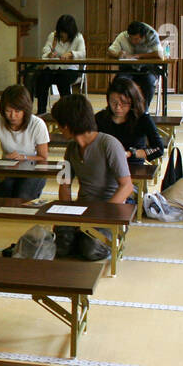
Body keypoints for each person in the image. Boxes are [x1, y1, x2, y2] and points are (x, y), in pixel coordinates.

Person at [48, 93, 133, 261]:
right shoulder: (71, 149)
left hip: (109, 211)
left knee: (90, 248)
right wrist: (66, 214)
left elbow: (127, 186)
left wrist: (101, 215)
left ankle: (113, 239)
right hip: (81, 210)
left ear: (68, 124)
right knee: (62, 244)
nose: (57, 127)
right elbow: (64, 184)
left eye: (59, 123)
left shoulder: (109, 144)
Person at [0, 85, 50, 202]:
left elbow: (43, 158)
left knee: (22, 196)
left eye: (17, 111)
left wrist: (23, 157)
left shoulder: (37, 124)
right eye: (8, 111)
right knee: (1, 196)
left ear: (26, 110)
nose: (12, 116)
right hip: (8, 168)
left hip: (33, 169)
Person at [95, 76, 166, 164]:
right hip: (106, 163)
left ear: (132, 101)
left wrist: (130, 153)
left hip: (132, 164)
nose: (118, 107)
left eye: (123, 103)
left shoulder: (142, 119)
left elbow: (158, 148)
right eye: (113, 102)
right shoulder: (101, 117)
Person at [30, 14, 86, 114]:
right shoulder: (53, 36)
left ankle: (67, 112)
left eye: (65, 32)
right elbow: (45, 51)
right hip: (52, 69)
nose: (62, 34)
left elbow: (83, 53)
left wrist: (70, 54)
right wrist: (50, 54)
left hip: (69, 70)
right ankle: (41, 111)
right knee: (42, 79)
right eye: (61, 31)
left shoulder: (78, 38)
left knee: (63, 80)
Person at [106, 19, 163, 110]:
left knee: (149, 82)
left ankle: (144, 110)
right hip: (128, 68)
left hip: (147, 68)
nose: (133, 41)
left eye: (136, 39)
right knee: (119, 82)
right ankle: (118, 109)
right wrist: (118, 54)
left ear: (143, 36)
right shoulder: (123, 36)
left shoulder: (151, 35)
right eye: (131, 38)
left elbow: (159, 55)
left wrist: (138, 56)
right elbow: (110, 52)